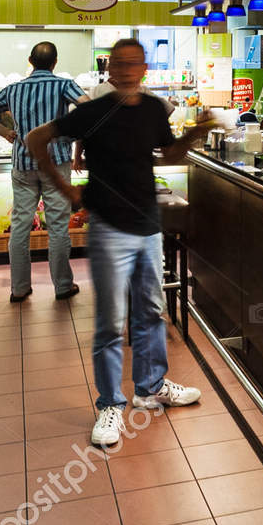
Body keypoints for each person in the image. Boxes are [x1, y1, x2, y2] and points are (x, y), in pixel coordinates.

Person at [26, 38, 219, 447]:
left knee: (151, 312)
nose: (128, 70)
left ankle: (150, 389)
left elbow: (168, 156)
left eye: (134, 63)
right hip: (109, 229)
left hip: (147, 227)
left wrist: (198, 132)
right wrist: (62, 187)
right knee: (111, 323)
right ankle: (110, 405)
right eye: (120, 63)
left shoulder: (152, 109)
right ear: (109, 69)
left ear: (144, 69)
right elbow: (35, 140)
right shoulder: (93, 110)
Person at [0, 41, 85, 303]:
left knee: (20, 226)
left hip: (22, 165)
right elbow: (88, 106)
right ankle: (63, 286)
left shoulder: (13, 89)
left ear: (30, 61)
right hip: (56, 163)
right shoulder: (64, 85)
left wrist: (5, 132)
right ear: (55, 62)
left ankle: (20, 288)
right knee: (58, 226)